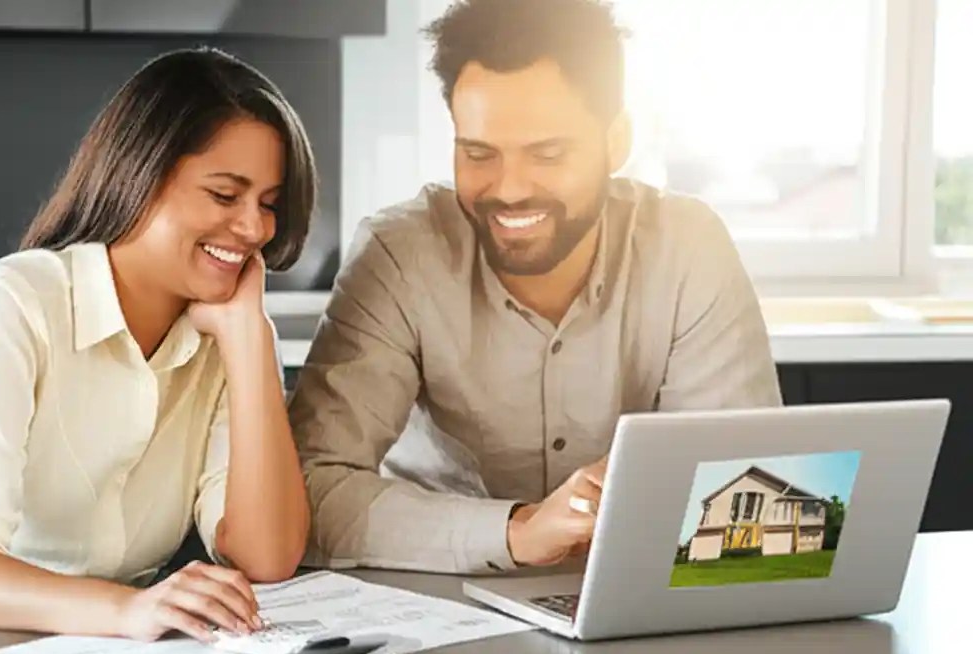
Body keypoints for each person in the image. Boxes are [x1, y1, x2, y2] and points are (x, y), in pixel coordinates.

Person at [0, 47, 316, 642]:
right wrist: (127, 610)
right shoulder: (5, 306)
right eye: (223, 195)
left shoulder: (217, 341)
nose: (256, 229)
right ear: (142, 175)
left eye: (268, 204)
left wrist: (251, 340)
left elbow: (266, 557)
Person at [288, 0, 781, 574]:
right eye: (478, 154)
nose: (510, 189)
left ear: (615, 140)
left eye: (548, 154)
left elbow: (744, 484)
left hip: (636, 597)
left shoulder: (686, 246)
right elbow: (308, 491)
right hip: (434, 597)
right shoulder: (400, 255)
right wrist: (516, 531)